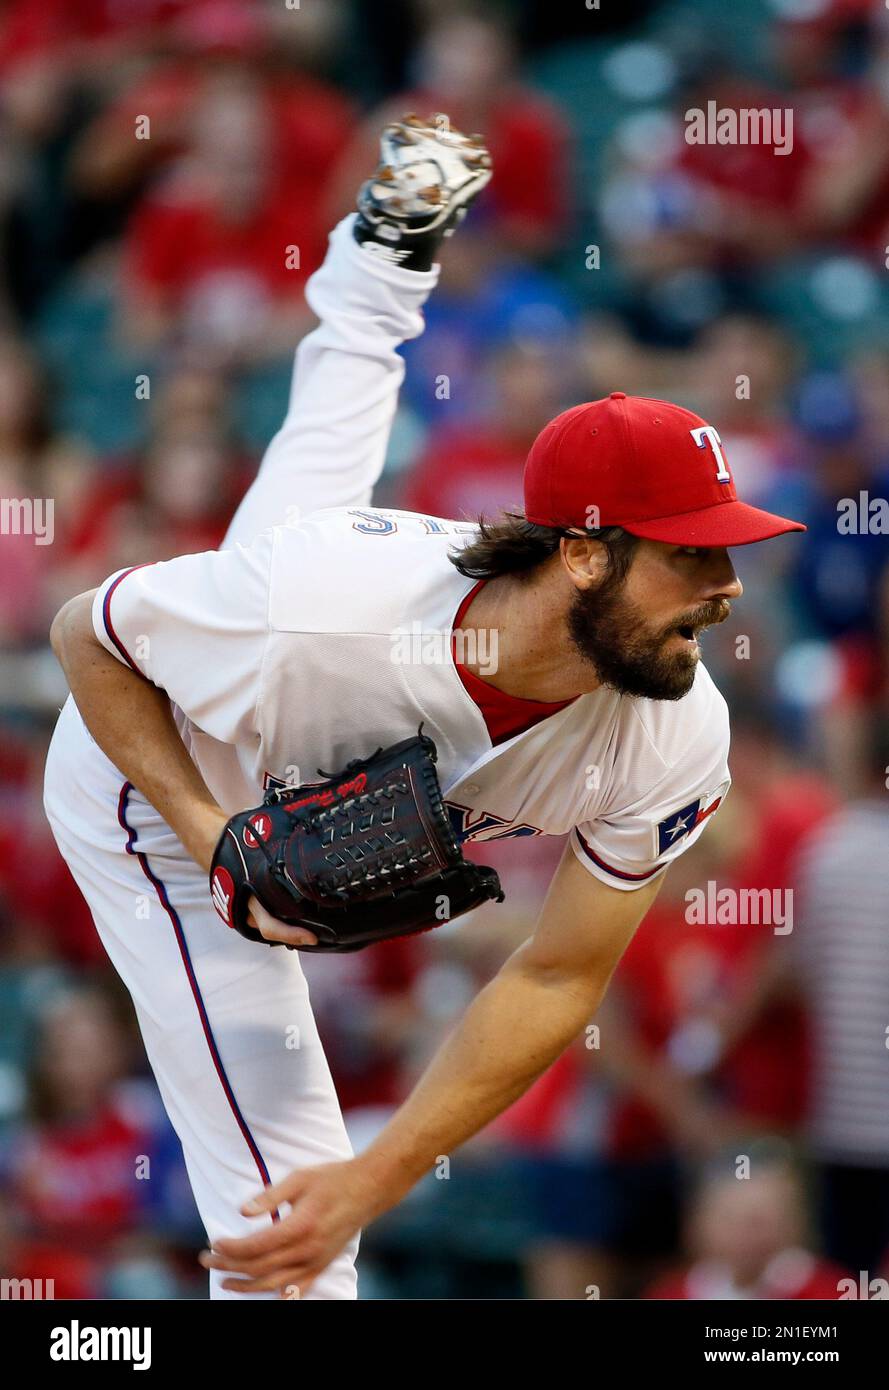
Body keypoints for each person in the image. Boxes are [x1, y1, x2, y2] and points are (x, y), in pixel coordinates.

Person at [45, 115, 806, 1299]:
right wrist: (211, 842)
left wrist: (383, 1170)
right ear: (588, 556)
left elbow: (557, 977)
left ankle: (383, 252)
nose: (726, 586)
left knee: (313, 482)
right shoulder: (319, 615)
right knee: (291, 1215)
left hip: (300, 658)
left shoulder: (676, 731)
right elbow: (86, 635)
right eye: (690, 555)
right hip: (153, 763)